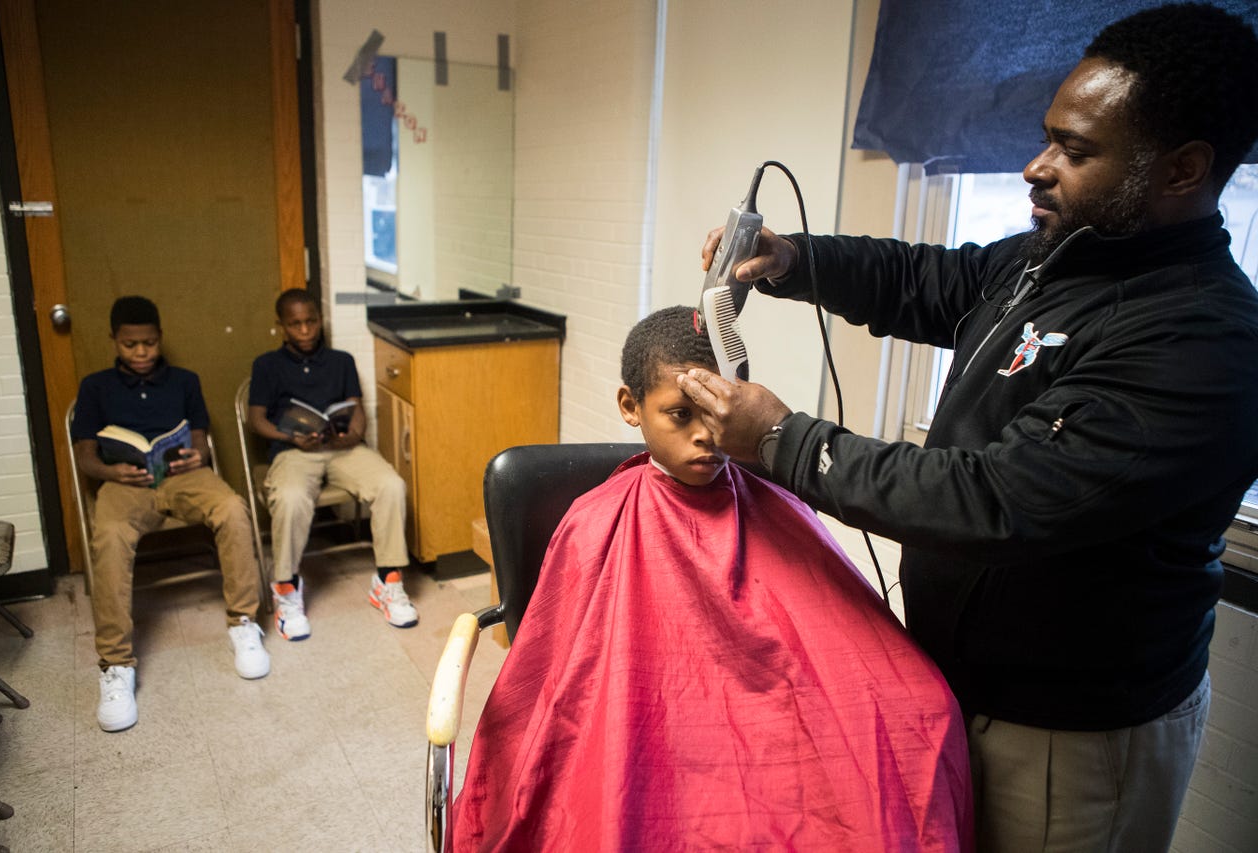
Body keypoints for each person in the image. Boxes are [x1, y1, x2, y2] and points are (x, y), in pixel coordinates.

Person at [679, 4, 1258, 851]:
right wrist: (798, 260)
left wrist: (783, 440)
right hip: (957, 679)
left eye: (1077, 150)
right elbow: (929, 280)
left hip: (1066, 736)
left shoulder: (1204, 343)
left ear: (1183, 170)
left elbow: (997, 500)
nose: (1036, 167)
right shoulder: (1056, 257)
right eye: (1047, 137)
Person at [451, 306, 972, 851]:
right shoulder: (594, 521)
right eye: (679, 415)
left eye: (716, 414)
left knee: (923, 711)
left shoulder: (779, 505)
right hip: (647, 723)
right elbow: (555, 677)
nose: (706, 436)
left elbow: (830, 637)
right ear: (631, 407)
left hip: (765, 727)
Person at [71, 296, 269, 733]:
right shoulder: (95, 386)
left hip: (181, 477)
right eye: (130, 345)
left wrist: (192, 457)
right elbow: (85, 456)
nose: (141, 352)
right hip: (125, 483)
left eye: (149, 343)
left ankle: (244, 622)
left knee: (233, 509)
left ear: (160, 339)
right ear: (114, 342)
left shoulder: (184, 380)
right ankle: (116, 664)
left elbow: (200, 440)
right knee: (108, 535)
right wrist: (111, 469)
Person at [247, 288, 417, 639]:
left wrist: (353, 433)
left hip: (341, 447)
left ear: (320, 319)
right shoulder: (266, 365)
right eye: (296, 324)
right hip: (294, 451)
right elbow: (256, 419)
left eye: (311, 321)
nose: (305, 330)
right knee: (291, 497)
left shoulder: (341, 360)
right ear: (281, 326)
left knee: (391, 485)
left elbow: (355, 408)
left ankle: (387, 581)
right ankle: (286, 589)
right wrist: (289, 437)